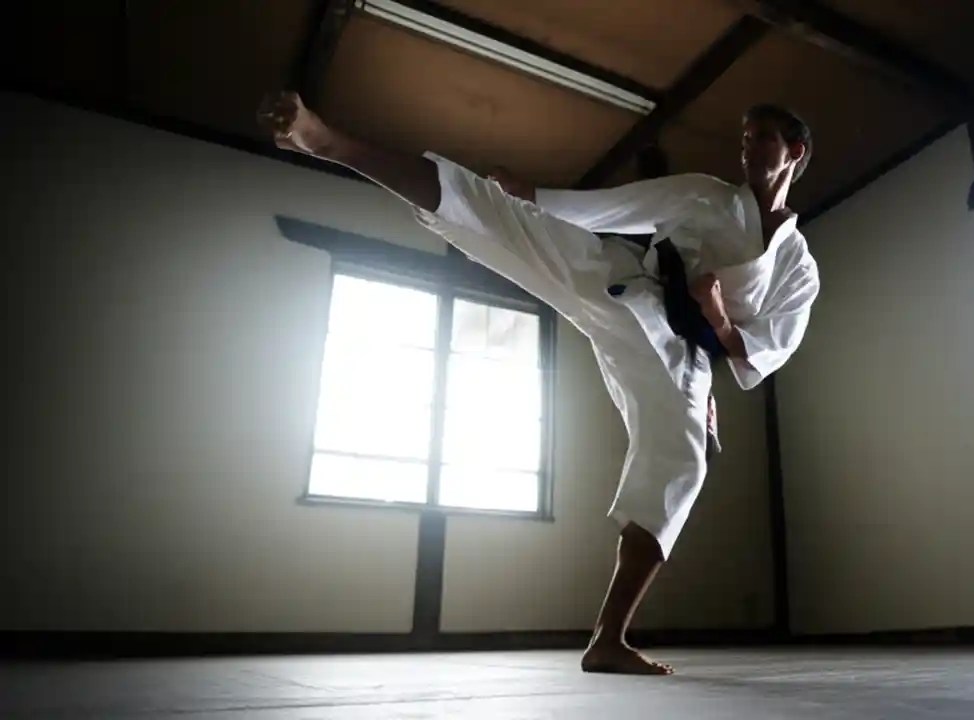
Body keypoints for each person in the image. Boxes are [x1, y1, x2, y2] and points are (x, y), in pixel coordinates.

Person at [257, 91, 820, 674]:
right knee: (493, 210)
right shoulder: (707, 194)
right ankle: (329, 142)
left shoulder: (798, 267)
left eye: (764, 138)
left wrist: (719, 319)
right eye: (745, 138)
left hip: (683, 357)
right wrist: (534, 197)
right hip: (628, 285)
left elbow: (759, 350)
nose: (749, 149)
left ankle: (607, 639)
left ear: (795, 152)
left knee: (683, 464)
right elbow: (618, 208)